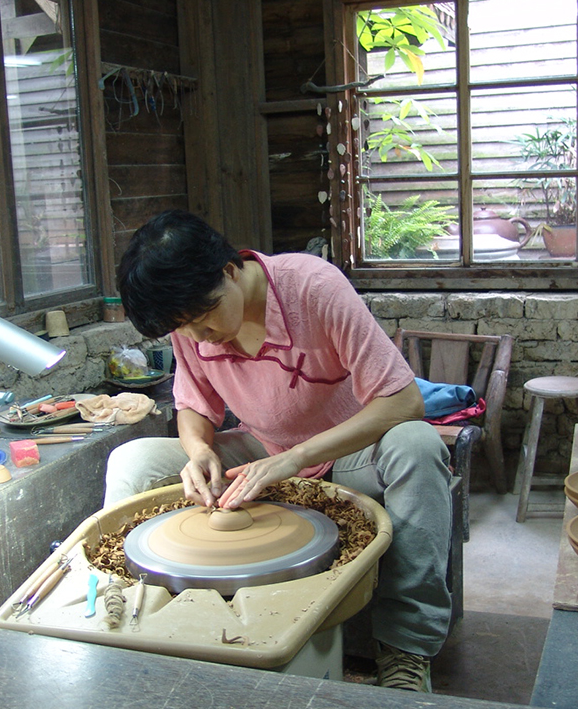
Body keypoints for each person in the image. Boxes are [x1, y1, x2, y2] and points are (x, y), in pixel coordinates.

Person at [105, 210, 453, 692]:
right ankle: (128, 615)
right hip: (260, 452)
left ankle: (405, 650)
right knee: (133, 460)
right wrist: (198, 449)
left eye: (202, 320)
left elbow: (404, 399)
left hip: (349, 455)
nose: (197, 337)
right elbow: (193, 405)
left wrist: (293, 459)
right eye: (182, 328)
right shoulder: (190, 322)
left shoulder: (311, 287)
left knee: (418, 443)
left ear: (230, 270)